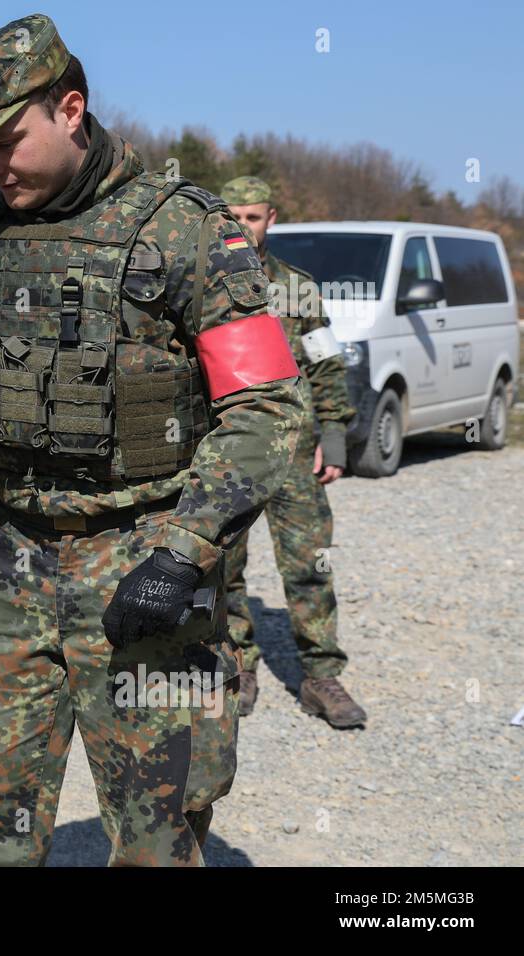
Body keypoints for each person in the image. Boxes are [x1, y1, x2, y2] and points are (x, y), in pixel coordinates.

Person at [0, 15, 308, 866]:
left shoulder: (191, 234)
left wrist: (185, 549)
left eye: (5, 142)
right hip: (0, 572)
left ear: (71, 108)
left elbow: (268, 411)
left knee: (157, 840)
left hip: (148, 579)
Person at [220, 176, 366, 728]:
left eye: (252, 216)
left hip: (294, 450)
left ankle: (321, 674)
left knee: (310, 564)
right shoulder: (200, 284)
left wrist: (333, 436)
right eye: (231, 215)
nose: (242, 226)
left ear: (271, 218)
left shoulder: (299, 289)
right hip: (228, 451)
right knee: (224, 566)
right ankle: (239, 664)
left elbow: (325, 362)